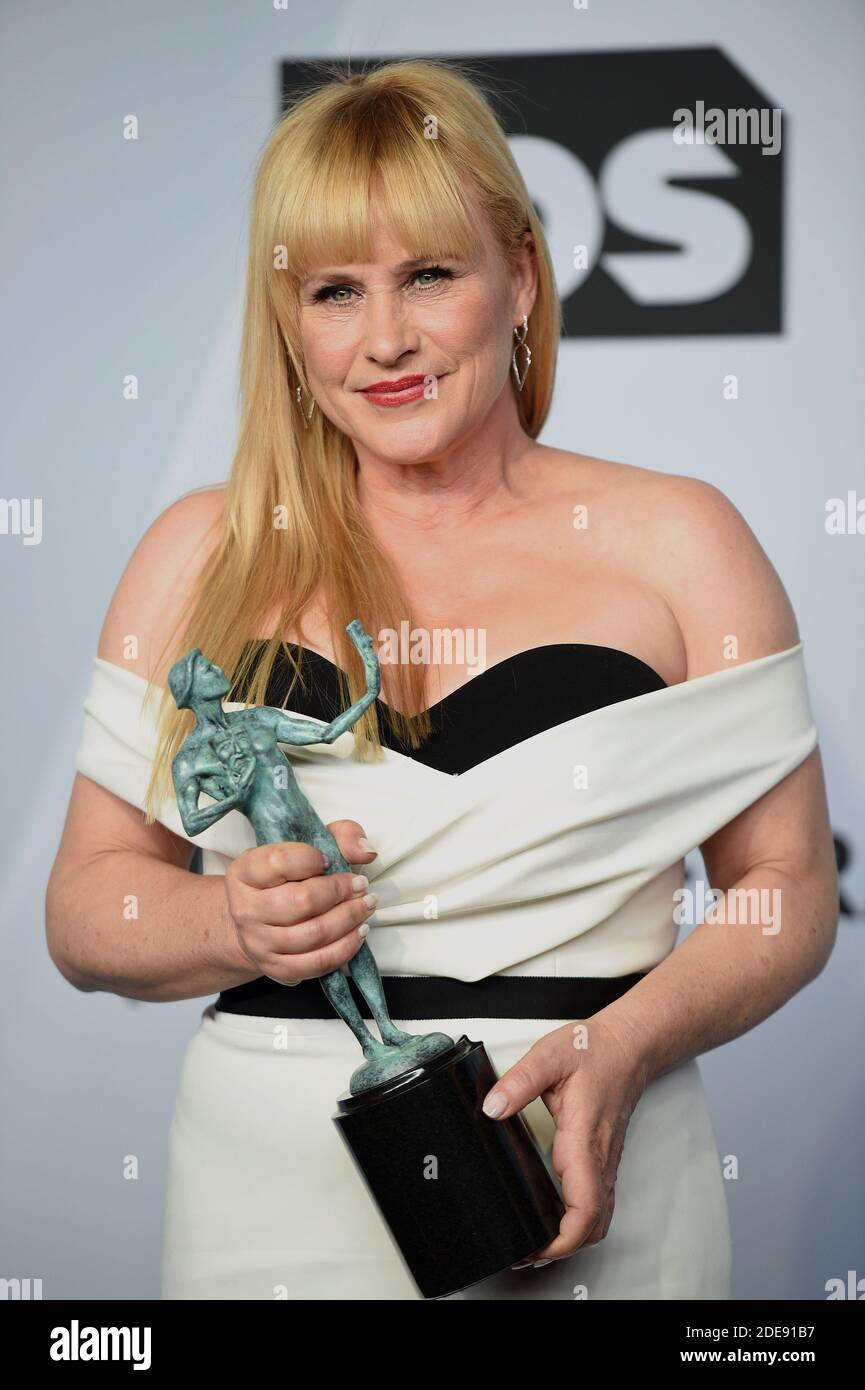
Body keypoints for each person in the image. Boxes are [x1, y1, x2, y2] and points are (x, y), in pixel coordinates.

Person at [46, 57, 838, 1301]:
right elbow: (88, 910)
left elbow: (783, 888)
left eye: (430, 273)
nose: (386, 340)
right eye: (334, 291)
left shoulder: (682, 540)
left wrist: (621, 1045)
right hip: (270, 1201)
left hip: (601, 1169)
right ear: (287, 321)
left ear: (519, 276)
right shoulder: (203, 551)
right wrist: (227, 921)